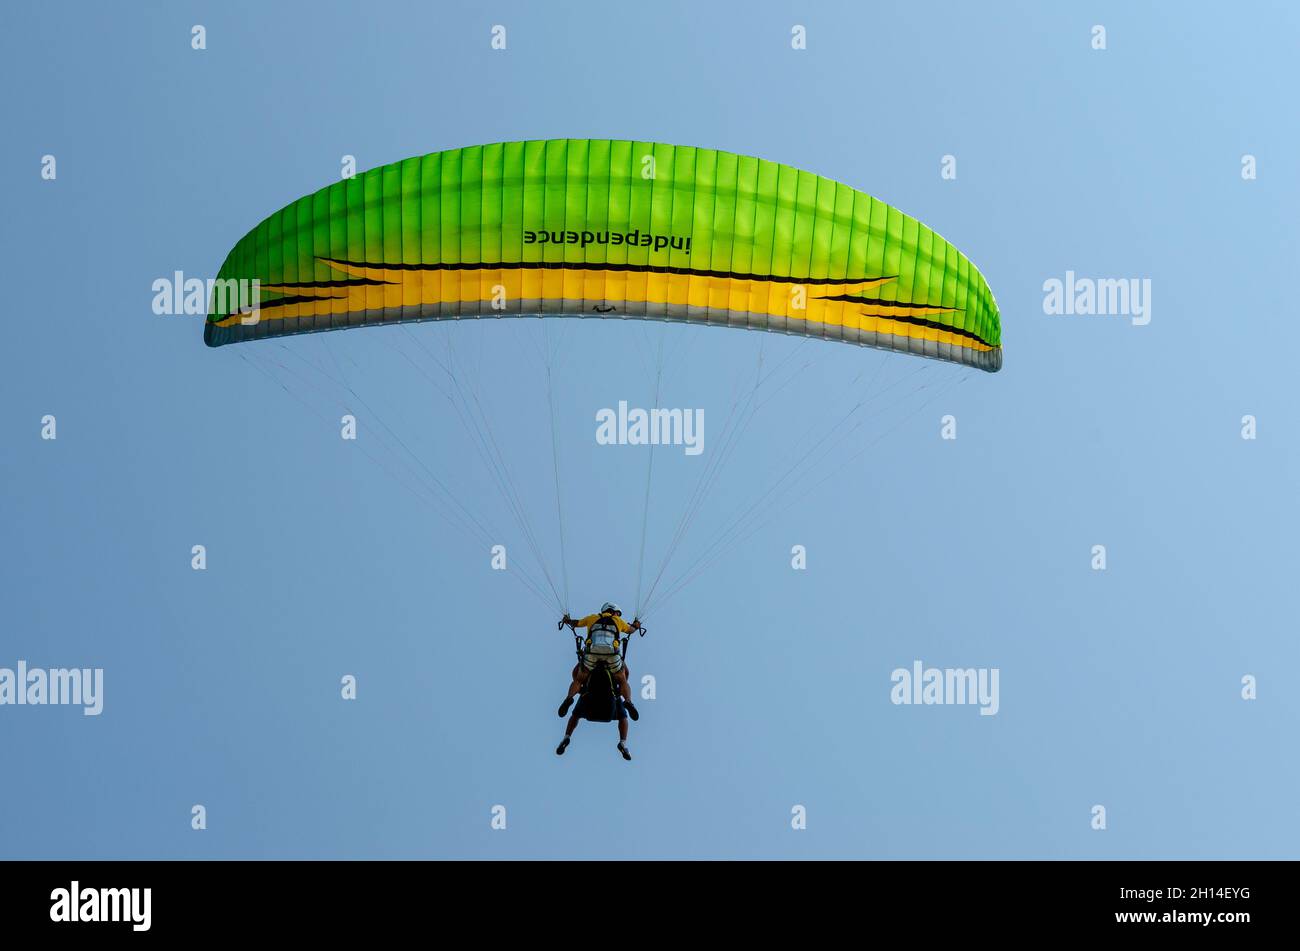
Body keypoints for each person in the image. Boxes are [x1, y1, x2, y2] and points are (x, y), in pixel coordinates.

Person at [555, 602, 641, 759]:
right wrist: (635, 625)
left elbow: (576, 623)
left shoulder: (592, 618)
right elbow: (631, 630)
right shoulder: (618, 622)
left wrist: (567, 620)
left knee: (579, 679)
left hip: (592, 654)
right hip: (611, 656)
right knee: (622, 681)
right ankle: (623, 736)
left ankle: (568, 706)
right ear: (614, 612)